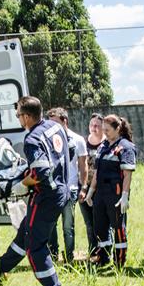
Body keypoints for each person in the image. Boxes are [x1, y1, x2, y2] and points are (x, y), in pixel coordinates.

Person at [0, 96, 69, 286]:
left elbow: (40, 174)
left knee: (34, 245)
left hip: (46, 197)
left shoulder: (32, 139)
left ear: (27, 117)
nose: (18, 118)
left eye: (18, 114)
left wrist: (22, 183)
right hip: (61, 190)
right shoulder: (55, 126)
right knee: (25, 234)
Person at [84, 115, 136, 267]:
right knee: (100, 227)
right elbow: (97, 171)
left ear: (117, 129)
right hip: (100, 192)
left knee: (118, 227)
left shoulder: (125, 146)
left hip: (116, 192)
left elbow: (127, 174)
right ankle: (103, 258)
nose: (104, 132)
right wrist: (91, 191)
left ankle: (119, 260)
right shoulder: (103, 145)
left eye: (107, 130)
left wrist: (125, 196)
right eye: (103, 129)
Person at [46, 107, 87, 262]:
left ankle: (69, 257)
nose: (52, 127)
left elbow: (83, 166)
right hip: (53, 189)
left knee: (68, 226)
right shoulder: (48, 140)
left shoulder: (77, 140)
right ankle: (53, 256)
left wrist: (83, 187)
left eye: (55, 122)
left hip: (71, 188)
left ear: (65, 121)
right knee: (51, 225)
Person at [79, 113, 106, 255]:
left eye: (97, 126)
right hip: (84, 186)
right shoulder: (83, 142)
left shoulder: (107, 143)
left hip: (101, 188)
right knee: (89, 222)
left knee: (101, 221)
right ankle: (93, 250)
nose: (93, 128)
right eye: (91, 125)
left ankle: (105, 250)